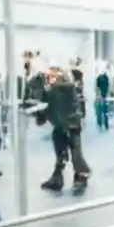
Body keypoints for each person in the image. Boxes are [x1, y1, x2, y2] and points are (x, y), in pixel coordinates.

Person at [40, 65, 92, 196]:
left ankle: (81, 175)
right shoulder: (61, 89)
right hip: (63, 124)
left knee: (75, 154)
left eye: (51, 76)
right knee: (62, 153)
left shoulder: (64, 88)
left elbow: (51, 101)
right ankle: (58, 177)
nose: (49, 79)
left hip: (70, 125)